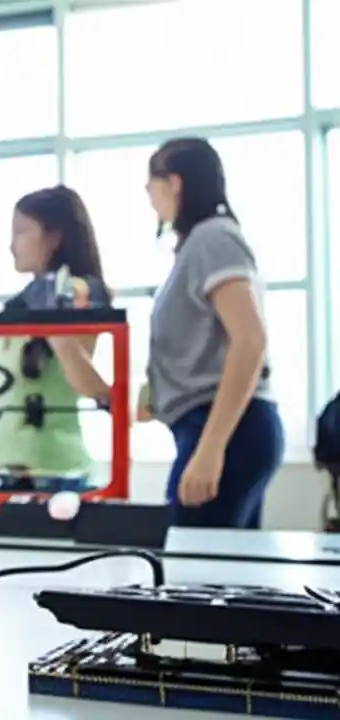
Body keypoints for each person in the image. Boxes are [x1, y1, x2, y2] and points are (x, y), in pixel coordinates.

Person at [142, 136, 283, 528]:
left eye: (151, 185)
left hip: (225, 426)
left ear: (174, 183)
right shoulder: (199, 244)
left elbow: (250, 340)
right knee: (219, 560)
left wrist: (210, 448)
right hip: (211, 424)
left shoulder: (213, 238)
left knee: (191, 556)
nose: (148, 196)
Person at [0, 185, 113, 492]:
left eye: (21, 232)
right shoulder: (18, 305)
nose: (11, 245)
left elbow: (85, 384)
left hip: (57, 474)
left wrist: (57, 327)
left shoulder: (79, 293)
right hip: (5, 472)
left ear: (53, 237)